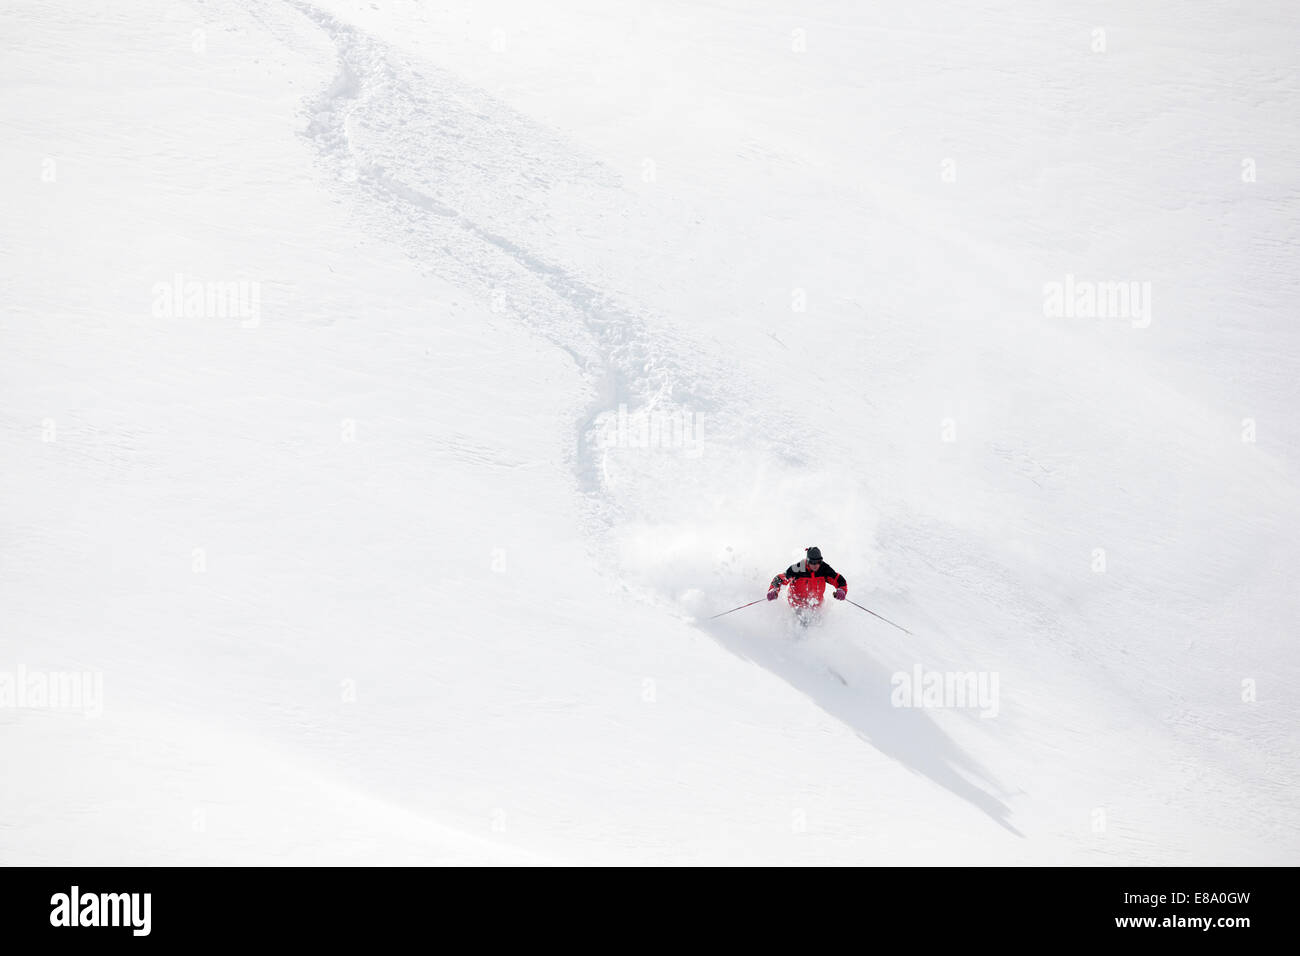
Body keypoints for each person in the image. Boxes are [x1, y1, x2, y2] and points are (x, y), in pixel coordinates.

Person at [767, 547, 847, 611]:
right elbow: (780, 579)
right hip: (797, 605)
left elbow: (839, 580)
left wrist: (841, 590)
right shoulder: (798, 568)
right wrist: (774, 590)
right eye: (812, 562)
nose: (815, 565)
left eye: (818, 562)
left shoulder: (824, 569)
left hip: (816, 606)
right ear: (807, 561)